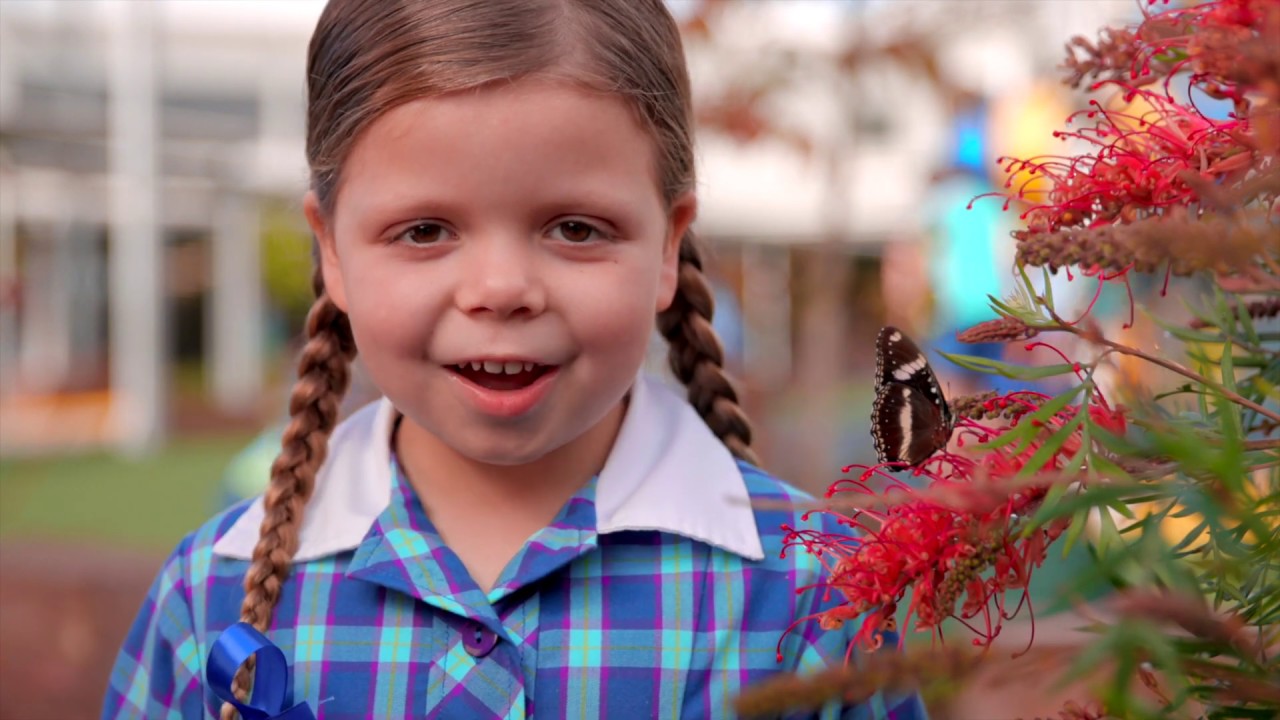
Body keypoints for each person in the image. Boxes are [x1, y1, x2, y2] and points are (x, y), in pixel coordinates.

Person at [102, 1, 928, 718]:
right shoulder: (212, 598)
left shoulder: (817, 592)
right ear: (334, 253)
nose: (501, 290)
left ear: (670, 245)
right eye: (425, 231)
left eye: (575, 228)